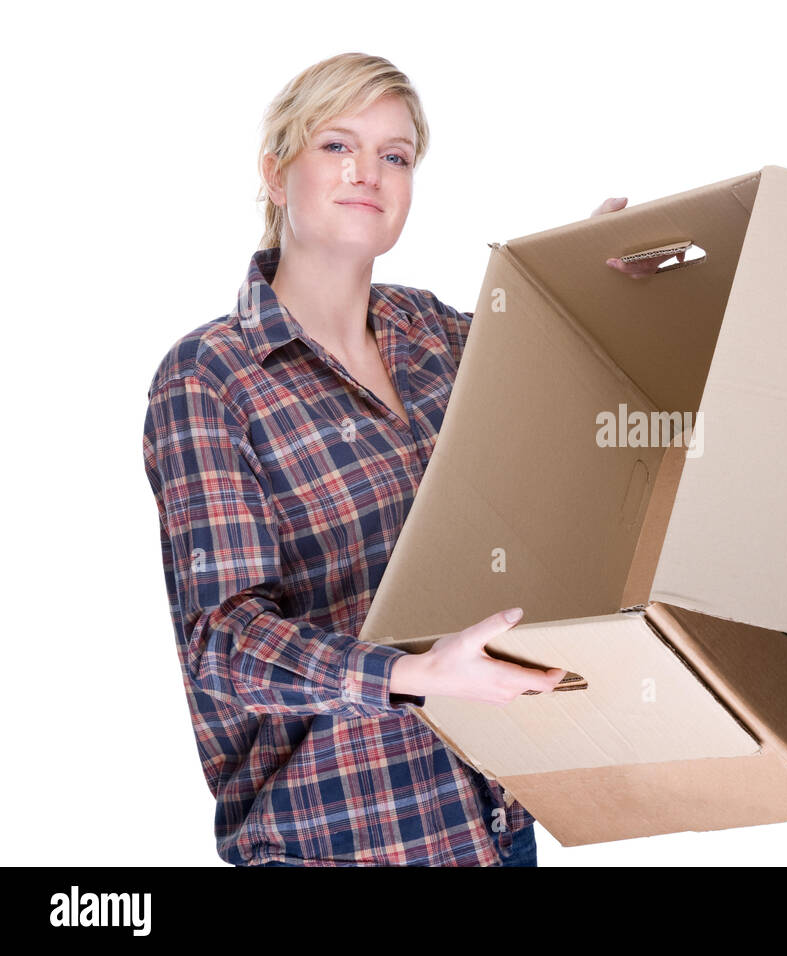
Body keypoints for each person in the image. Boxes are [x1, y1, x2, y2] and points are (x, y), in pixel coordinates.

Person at [141, 52, 674, 867]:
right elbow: (224, 644)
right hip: (342, 844)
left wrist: (594, 274)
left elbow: (546, 371)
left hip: (495, 828)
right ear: (275, 174)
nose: (370, 172)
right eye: (337, 146)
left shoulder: (430, 333)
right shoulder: (210, 376)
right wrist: (409, 673)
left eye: (395, 155)